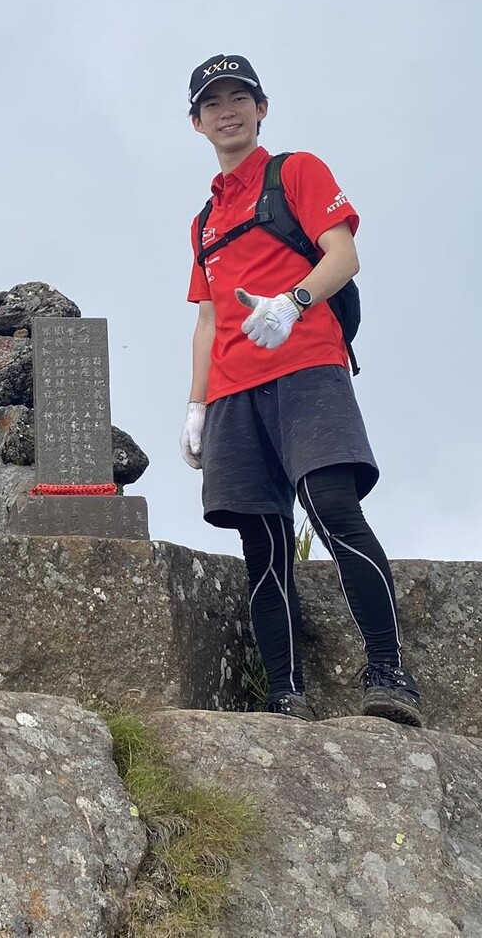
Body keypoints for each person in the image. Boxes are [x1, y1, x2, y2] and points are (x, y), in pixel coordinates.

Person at [179, 54, 421, 726]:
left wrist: (292, 301)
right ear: (195, 122)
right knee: (262, 543)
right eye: (212, 102)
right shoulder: (201, 222)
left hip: (306, 364)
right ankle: (284, 695)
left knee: (330, 508)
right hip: (231, 391)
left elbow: (342, 254)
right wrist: (195, 405)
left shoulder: (296, 171)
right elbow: (206, 319)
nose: (227, 110)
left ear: (262, 107)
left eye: (240, 97)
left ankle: (389, 672)